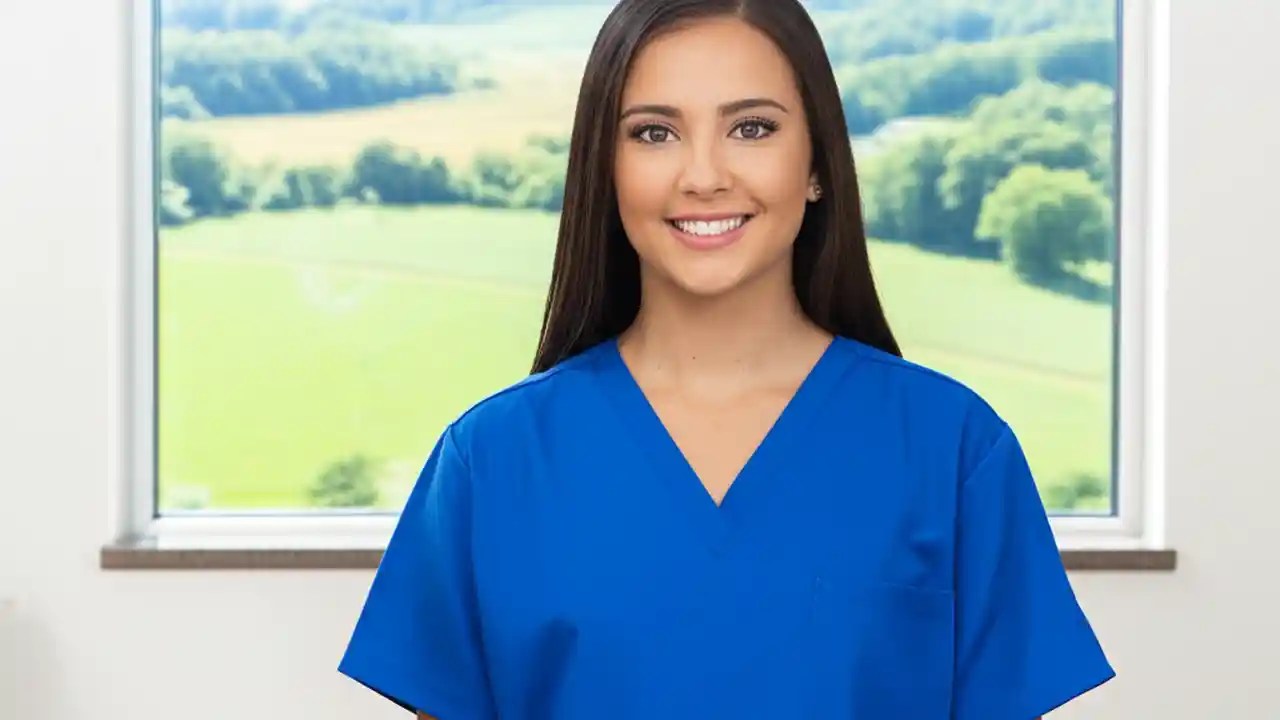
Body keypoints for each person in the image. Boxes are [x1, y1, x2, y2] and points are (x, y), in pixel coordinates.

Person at [338, 0, 1116, 717]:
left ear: (816, 164)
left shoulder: (954, 451)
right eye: (654, 132)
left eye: (752, 128)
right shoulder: (492, 462)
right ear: (604, 171)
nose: (704, 175)